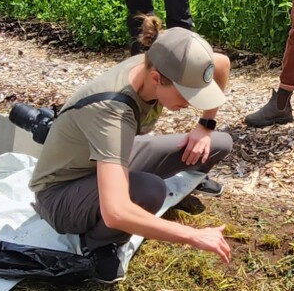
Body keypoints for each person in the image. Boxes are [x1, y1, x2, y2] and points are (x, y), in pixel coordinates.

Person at [31, 19, 235, 267]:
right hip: (60, 192)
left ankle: (191, 175)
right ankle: (97, 243)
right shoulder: (112, 111)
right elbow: (116, 212)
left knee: (219, 143)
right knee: (150, 191)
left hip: (110, 156)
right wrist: (194, 236)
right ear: (157, 78)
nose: (192, 103)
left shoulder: (160, 62)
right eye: (186, 94)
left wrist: (205, 126)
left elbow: (222, 64)